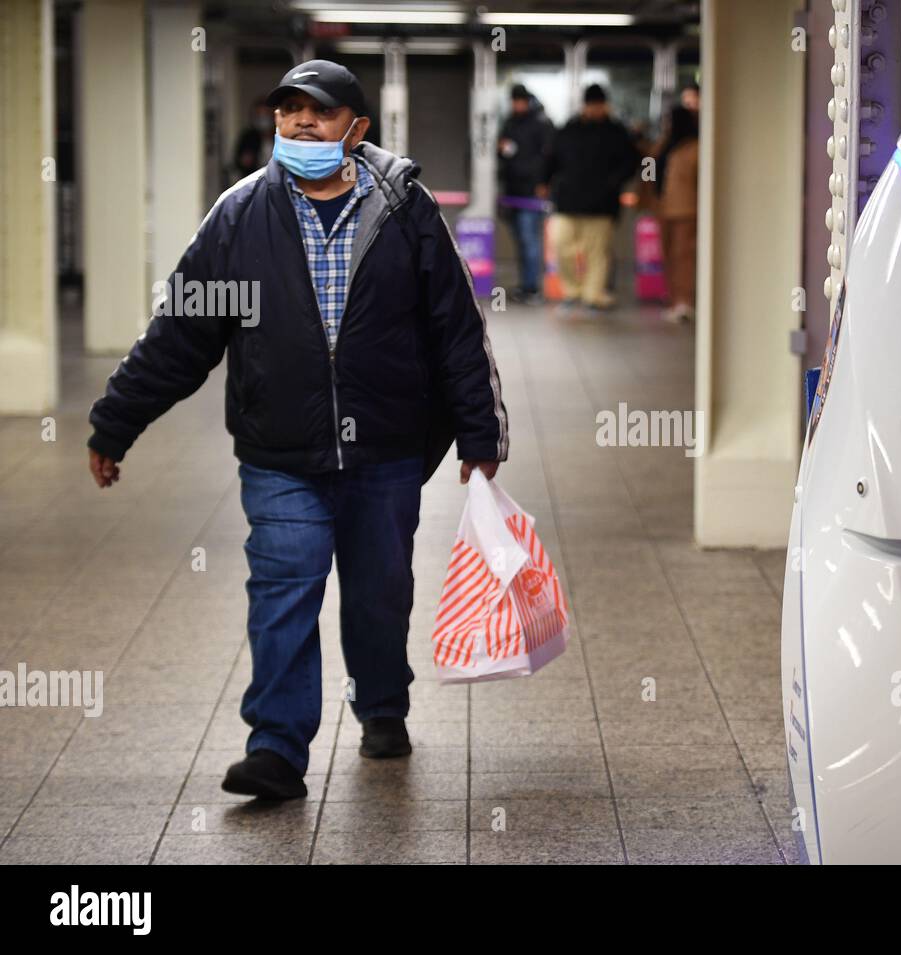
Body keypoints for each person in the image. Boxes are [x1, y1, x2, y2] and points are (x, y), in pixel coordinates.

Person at [85, 60, 508, 801]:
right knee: (283, 588)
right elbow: (183, 331)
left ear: (357, 127)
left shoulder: (405, 207)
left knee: (379, 591)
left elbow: (454, 329)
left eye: (319, 111)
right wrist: (115, 421)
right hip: (280, 449)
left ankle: (382, 703)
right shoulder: (241, 215)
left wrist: (479, 434)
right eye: (288, 111)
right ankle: (277, 746)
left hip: (385, 446)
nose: (302, 123)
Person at [541, 83, 639, 312]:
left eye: (599, 105)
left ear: (605, 105)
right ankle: (571, 291)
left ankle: (593, 294)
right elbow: (551, 158)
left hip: (601, 204)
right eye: (591, 104)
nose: (595, 109)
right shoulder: (568, 130)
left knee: (597, 253)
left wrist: (612, 184)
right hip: (566, 201)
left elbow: (630, 163)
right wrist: (543, 182)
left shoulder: (617, 132)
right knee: (561, 243)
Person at [498, 84, 553, 305]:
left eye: (519, 100)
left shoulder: (541, 124)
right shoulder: (509, 123)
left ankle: (533, 288)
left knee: (530, 240)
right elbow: (503, 152)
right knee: (522, 240)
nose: (516, 105)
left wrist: (543, 183)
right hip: (513, 191)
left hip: (531, 193)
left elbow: (549, 156)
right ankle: (526, 285)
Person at [657, 105, 699, 323]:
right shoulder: (665, 145)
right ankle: (674, 299)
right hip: (664, 208)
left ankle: (685, 301)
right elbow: (650, 170)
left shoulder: (696, 147)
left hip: (687, 209)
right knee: (670, 254)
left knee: (684, 256)